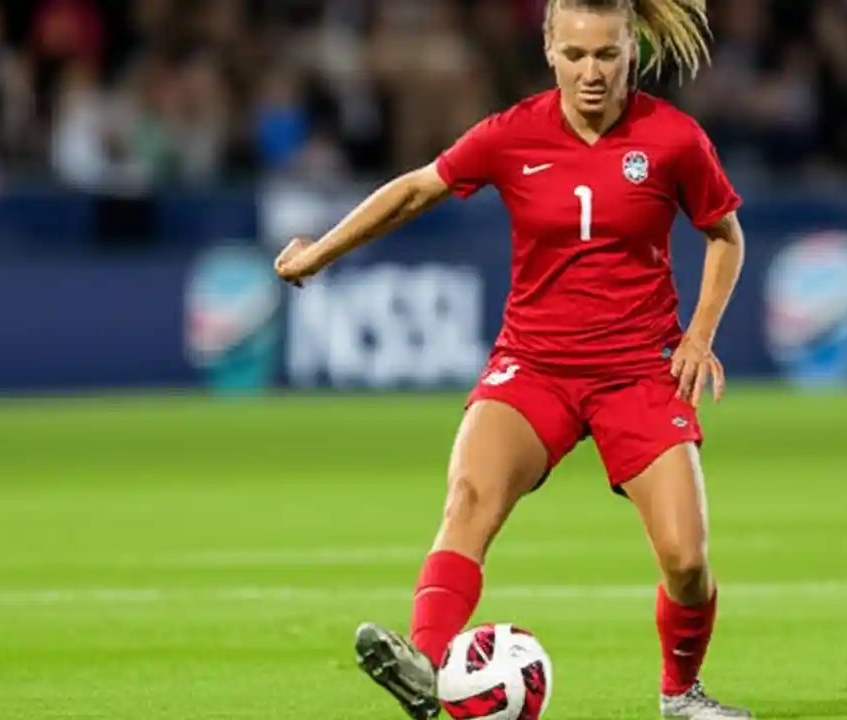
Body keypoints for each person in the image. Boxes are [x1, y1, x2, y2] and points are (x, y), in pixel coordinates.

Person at [274, 1, 749, 717]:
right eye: (578, 54)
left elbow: (725, 236)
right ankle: (425, 668)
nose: (593, 72)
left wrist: (700, 333)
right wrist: (316, 254)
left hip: (637, 369)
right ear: (551, 52)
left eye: (608, 55)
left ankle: (680, 694)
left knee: (686, 559)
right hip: (535, 366)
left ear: (633, 53)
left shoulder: (673, 139)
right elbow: (414, 192)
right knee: (469, 498)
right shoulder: (513, 133)